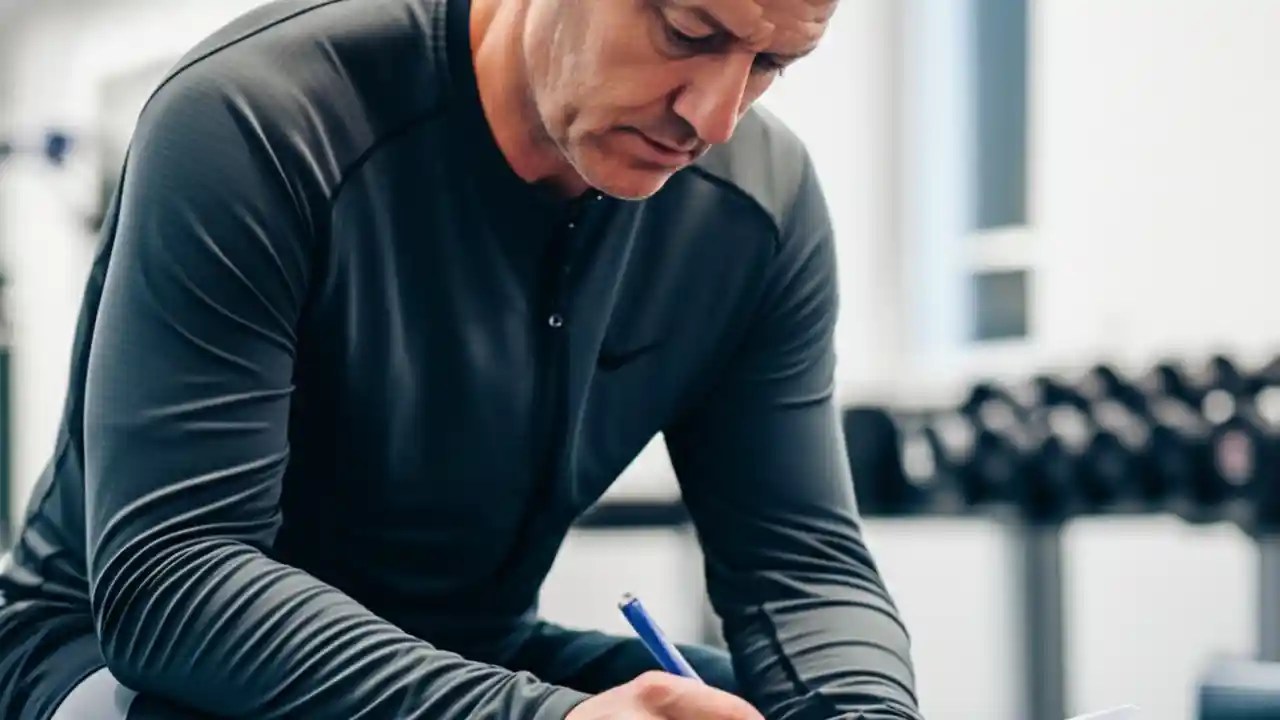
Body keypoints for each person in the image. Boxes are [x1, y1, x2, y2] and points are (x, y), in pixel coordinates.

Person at [0, 0, 923, 717]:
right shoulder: (255, 119)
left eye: (769, 65)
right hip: (130, 658)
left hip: (467, 653)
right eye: (687, 31)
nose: (714, 118)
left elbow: (801, 565)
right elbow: (173, 581)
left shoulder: (759, 207)